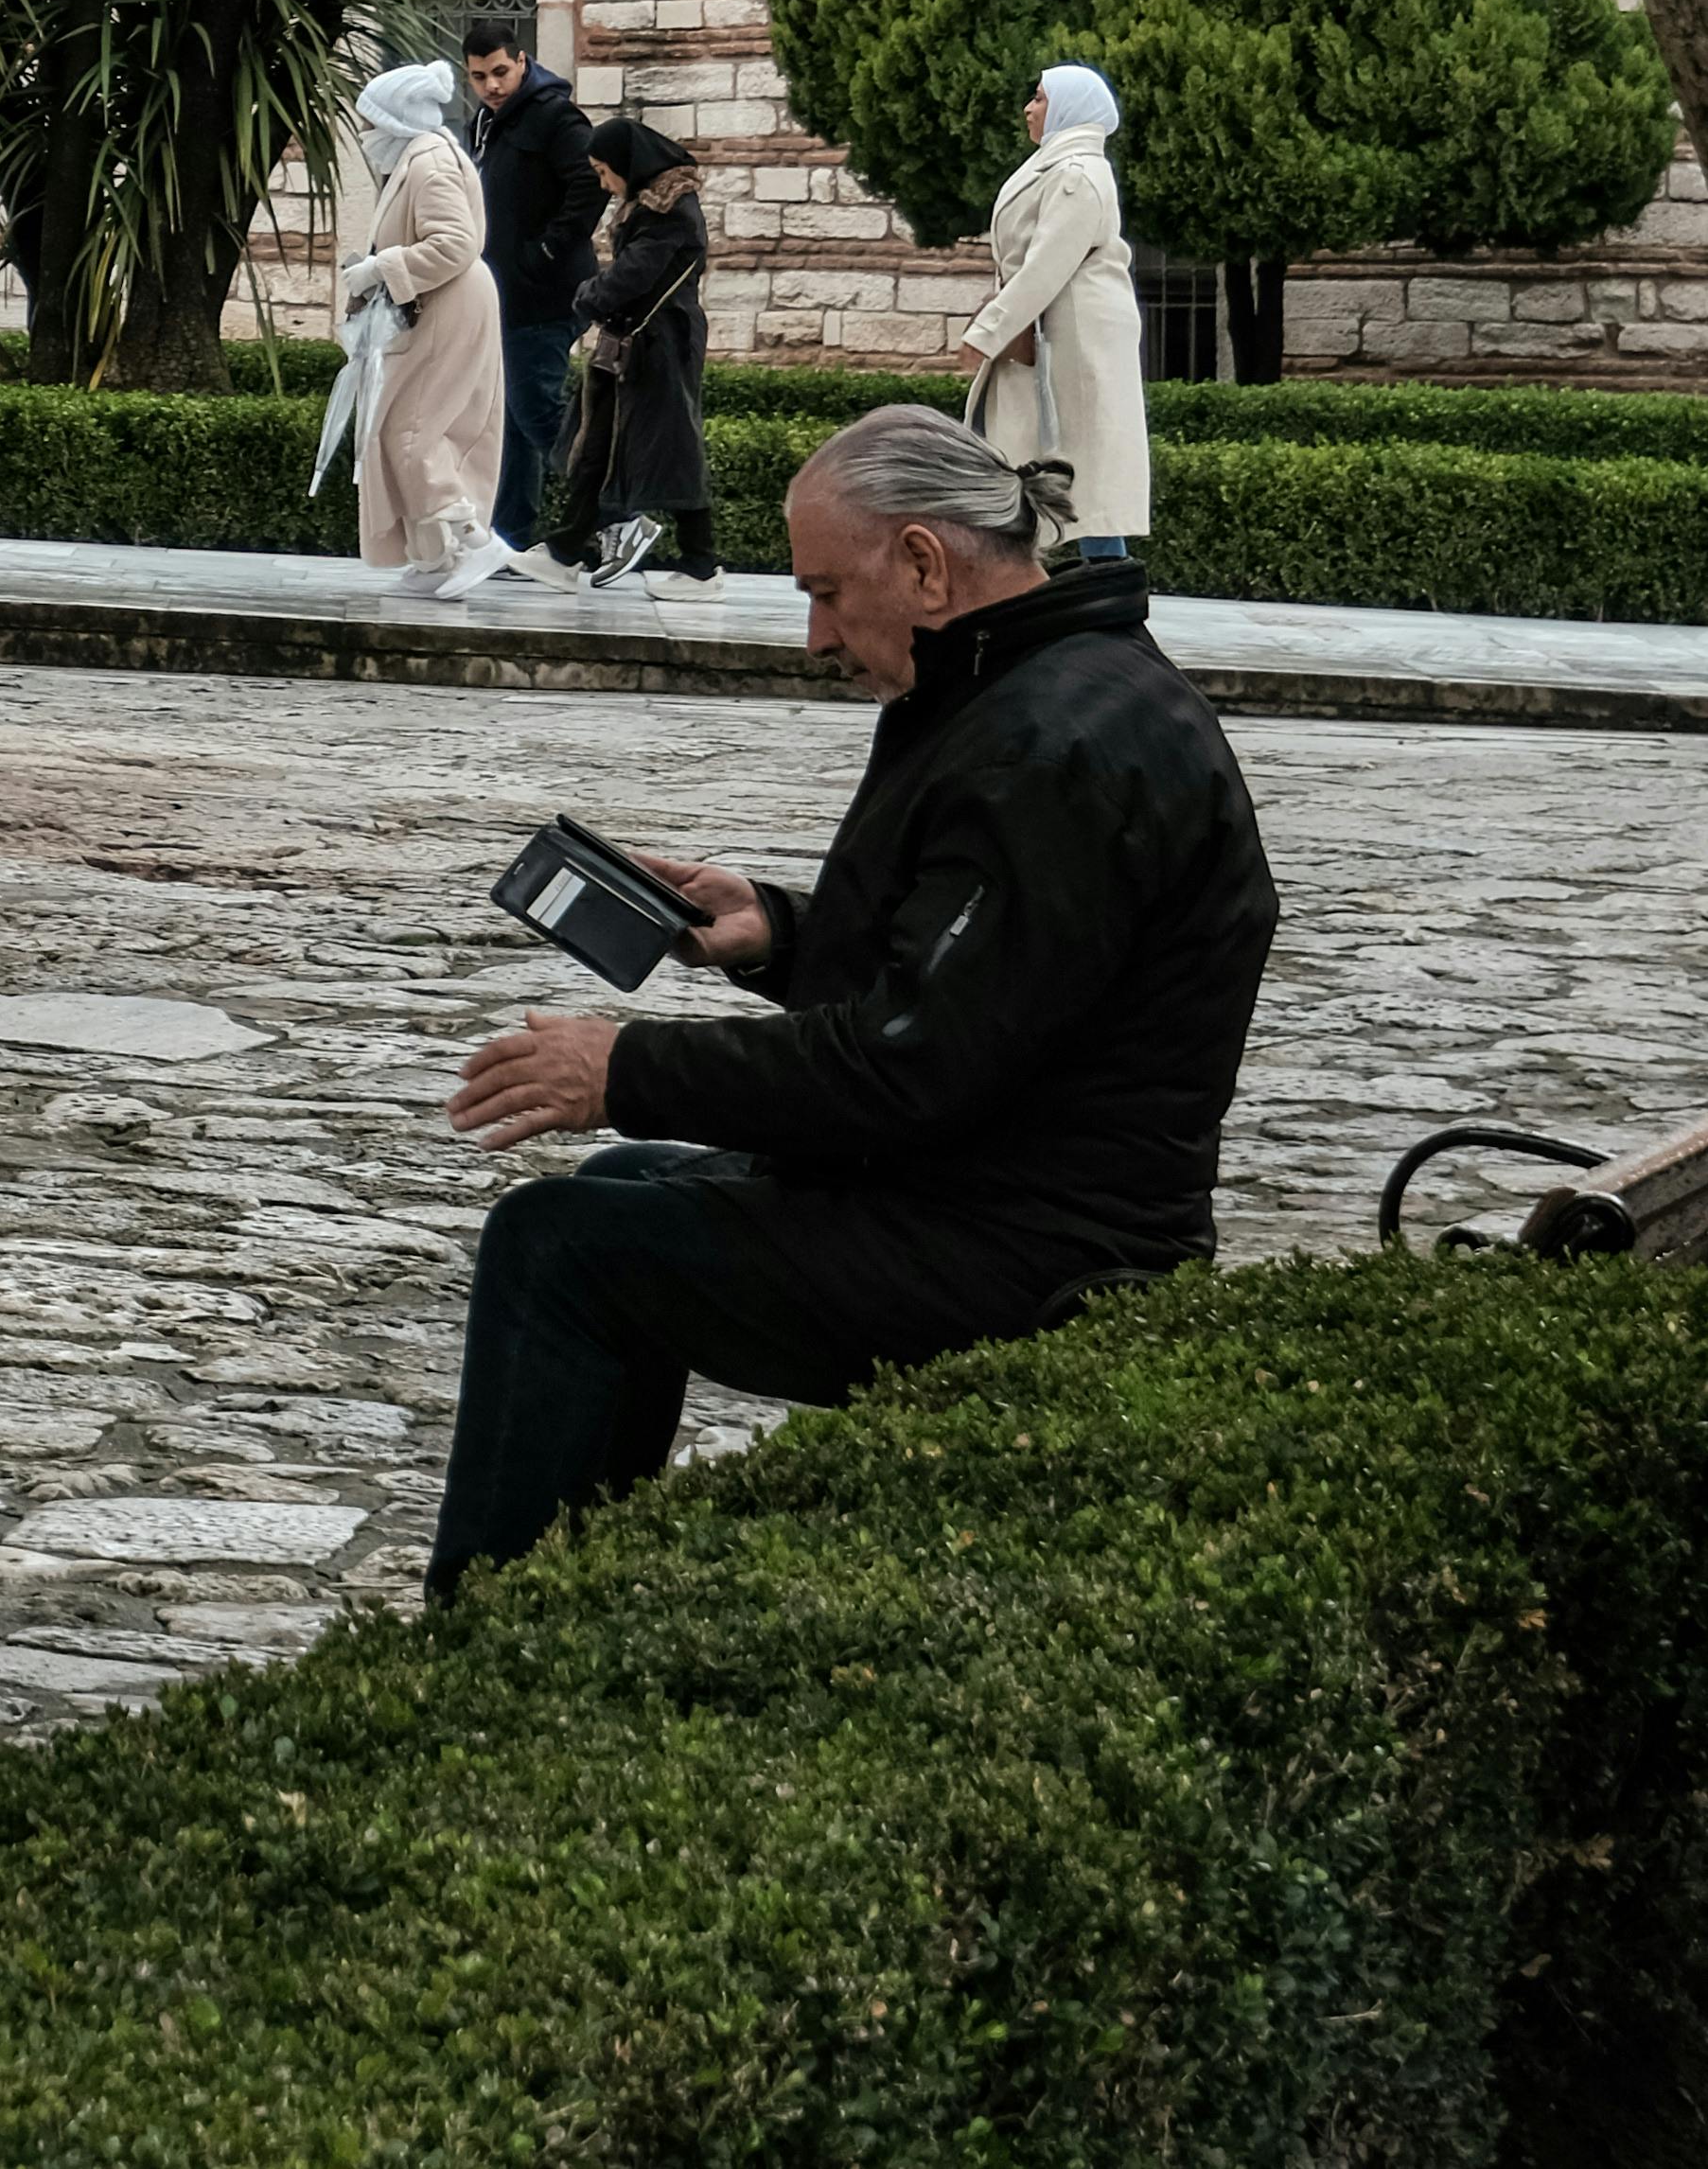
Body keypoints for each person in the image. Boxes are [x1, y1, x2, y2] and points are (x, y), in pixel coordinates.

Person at [426, 401, 1278, 1596]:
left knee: (559, 1243)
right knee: (618, 1195)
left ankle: (480, 1633)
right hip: (1001, 1191)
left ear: (923, 564)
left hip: (1038, 1256)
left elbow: (907, 1067)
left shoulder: (1046, 743)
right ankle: (568, 1592)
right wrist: (780, 932)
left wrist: (619, 1071)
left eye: (825, 592)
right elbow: (1000, 974)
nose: (816, 636)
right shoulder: (1053, 683)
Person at [963, 61, 1152, 571]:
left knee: (1087, 471)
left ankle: (1106, 597)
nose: (1029, 107)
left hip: (1075, 339)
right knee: (1071, 468)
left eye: (1041, 98)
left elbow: (1046, 265)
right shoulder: (1059, 165)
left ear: (1068, 108)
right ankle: (1083, 589)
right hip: (1056, 334)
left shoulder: (1076, 174)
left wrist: (988, 330)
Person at [325, 60, 506, 585]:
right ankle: (434, 555)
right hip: (437, 301)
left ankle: (471, 539)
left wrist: (379, 268)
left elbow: (455, 244)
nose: (366, 134)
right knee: (408, 425)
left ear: (396, 121)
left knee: (411, 428)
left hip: (448, 302)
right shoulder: (421, 158)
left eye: (371, 122)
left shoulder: (429, 163)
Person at [518, 115, 716, 588]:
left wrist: (588, 295)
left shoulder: (671, 210)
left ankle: (702, 566)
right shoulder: (647, 206)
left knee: (676, 448)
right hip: (628, 342)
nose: (604, 184)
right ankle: (566, 551)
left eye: (605, 171)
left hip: (663, 344)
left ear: (629, 163)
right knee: (596, 445)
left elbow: (635, 273)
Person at [463, 17, 605, 548]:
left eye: (500, 71)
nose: (492, 85)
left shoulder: (555, 115)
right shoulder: (486, 122)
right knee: (514, 419)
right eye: (479, 77)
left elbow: (591, 186)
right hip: (507, 295)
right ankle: (510, 536)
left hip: (546, 293)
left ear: (522, 61)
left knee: (538, 411)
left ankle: (616, 520)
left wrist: (542, 251)